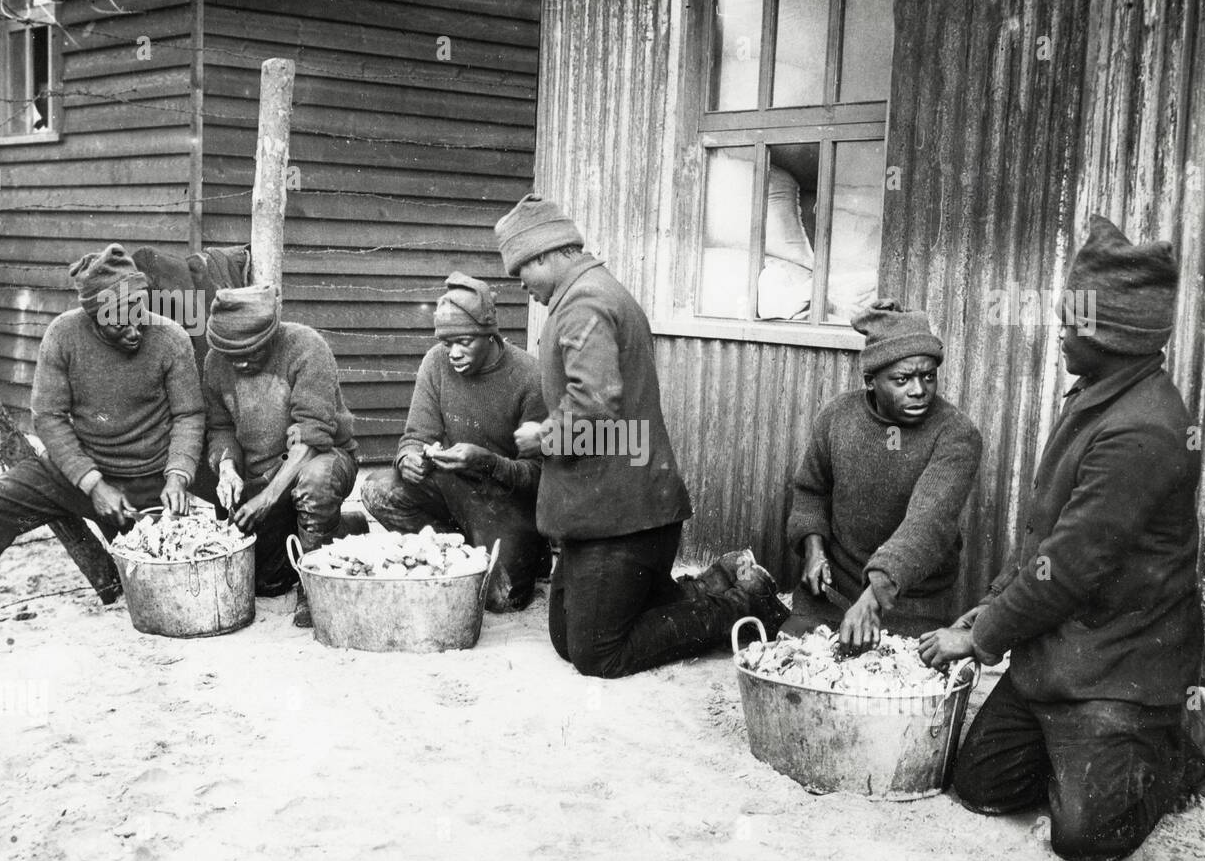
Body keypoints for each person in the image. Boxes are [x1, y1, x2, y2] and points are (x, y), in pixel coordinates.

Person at [920, 215, 1205, 861]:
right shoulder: (1095, 396)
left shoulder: (1144, 431)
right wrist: (992, 602)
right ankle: (1084, 746)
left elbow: (1069, 568)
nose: (1061, 336)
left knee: (1084, 836)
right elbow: (1046, 531)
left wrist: (983, 636)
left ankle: (1172, 751)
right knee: (981, 786)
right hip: (1066, 643)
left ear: (1113, 335)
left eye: (1072, 324)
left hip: (1122, 660)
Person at [494, 193, 789, 679]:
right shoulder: (589, 292)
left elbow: (594, 409)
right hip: (611, 506)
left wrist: (542, 438)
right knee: (568, 641)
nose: (520, 283)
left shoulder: (584, 303)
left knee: (597, 655)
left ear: (546, 254)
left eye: (520, 269)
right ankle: (718, 580)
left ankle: (741, 606)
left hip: (625, 516)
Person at [0, 243, 205, 588]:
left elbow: (190, 414)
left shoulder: (171, 339)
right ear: (94, 317)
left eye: (139, 314)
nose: (134, 331)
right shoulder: (64, 335)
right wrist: (92, 484)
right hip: (76, 472)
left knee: (166, 566)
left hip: (149, 478)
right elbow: (48, 416)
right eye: (119, 324)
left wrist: (178, 476)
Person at [784, 299, 982, 648]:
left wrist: (874, 596)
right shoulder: (837, 417)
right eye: (902, 379)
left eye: (928, 376)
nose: (919, 390)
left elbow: (928, 522)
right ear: (871, 381)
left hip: (913, 602)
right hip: (834, 594)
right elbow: (811, 491)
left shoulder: (955, 434)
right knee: (793, 661)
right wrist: (814, 548)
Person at [360, 272, 550, 611]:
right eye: (447, 343)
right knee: (379, 491)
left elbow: (537, 477)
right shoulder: (435, 362)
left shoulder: (528, 376)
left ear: (489, 334)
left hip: (506, 501)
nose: (454, 353)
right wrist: (409, 459)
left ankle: (529, 554)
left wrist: (487, 462)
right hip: (453, 488)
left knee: (501, 600)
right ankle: (458, 548)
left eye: (465, 341)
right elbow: (416, 435)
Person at [200, 282, 360, 627]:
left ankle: (313, 587)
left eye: (251, 351)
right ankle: (344, 530)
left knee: (314, 482)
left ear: (271, 334)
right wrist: (227, 468)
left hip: (320, 458)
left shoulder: (306, 347)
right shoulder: (216, 362)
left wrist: (268, 498)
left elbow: (312, 436)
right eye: (232, 353)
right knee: (265, 583)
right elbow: (220, 427)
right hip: (261, 473)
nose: (240, 361)